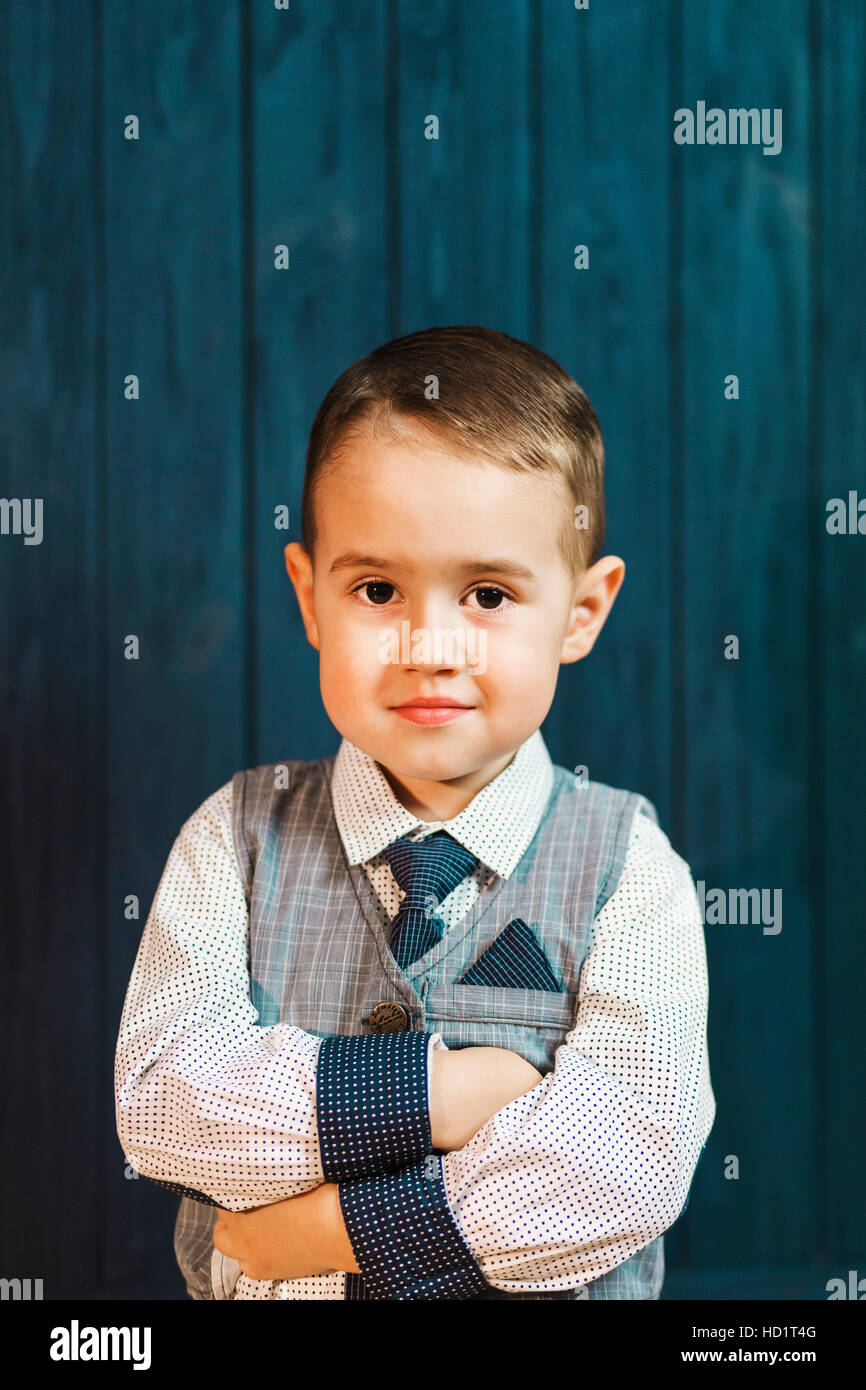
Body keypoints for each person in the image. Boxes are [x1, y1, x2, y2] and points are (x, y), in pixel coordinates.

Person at [114, 324, 716, 1300]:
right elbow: (164, 1100)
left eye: (485, 593)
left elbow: (621, 1158)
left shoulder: (625, 867)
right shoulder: (235, 838)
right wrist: (428, 1094)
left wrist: (334, 1231)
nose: (430, 645)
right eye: (377, 588)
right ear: (309, 598)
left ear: (579, 612)